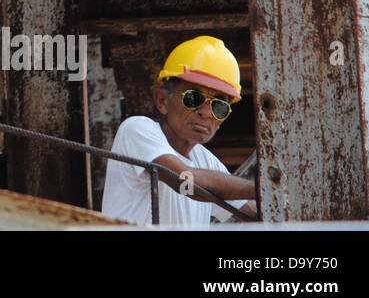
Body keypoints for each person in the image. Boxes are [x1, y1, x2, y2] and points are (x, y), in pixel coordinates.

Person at [101, 36, 257, 225]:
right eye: (193, 98)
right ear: (162, 100)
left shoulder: (208, 163)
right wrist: (260, 188)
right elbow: (185, 183)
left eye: (219, 106)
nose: (206, 113)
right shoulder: (137, 130)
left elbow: (254, 212)